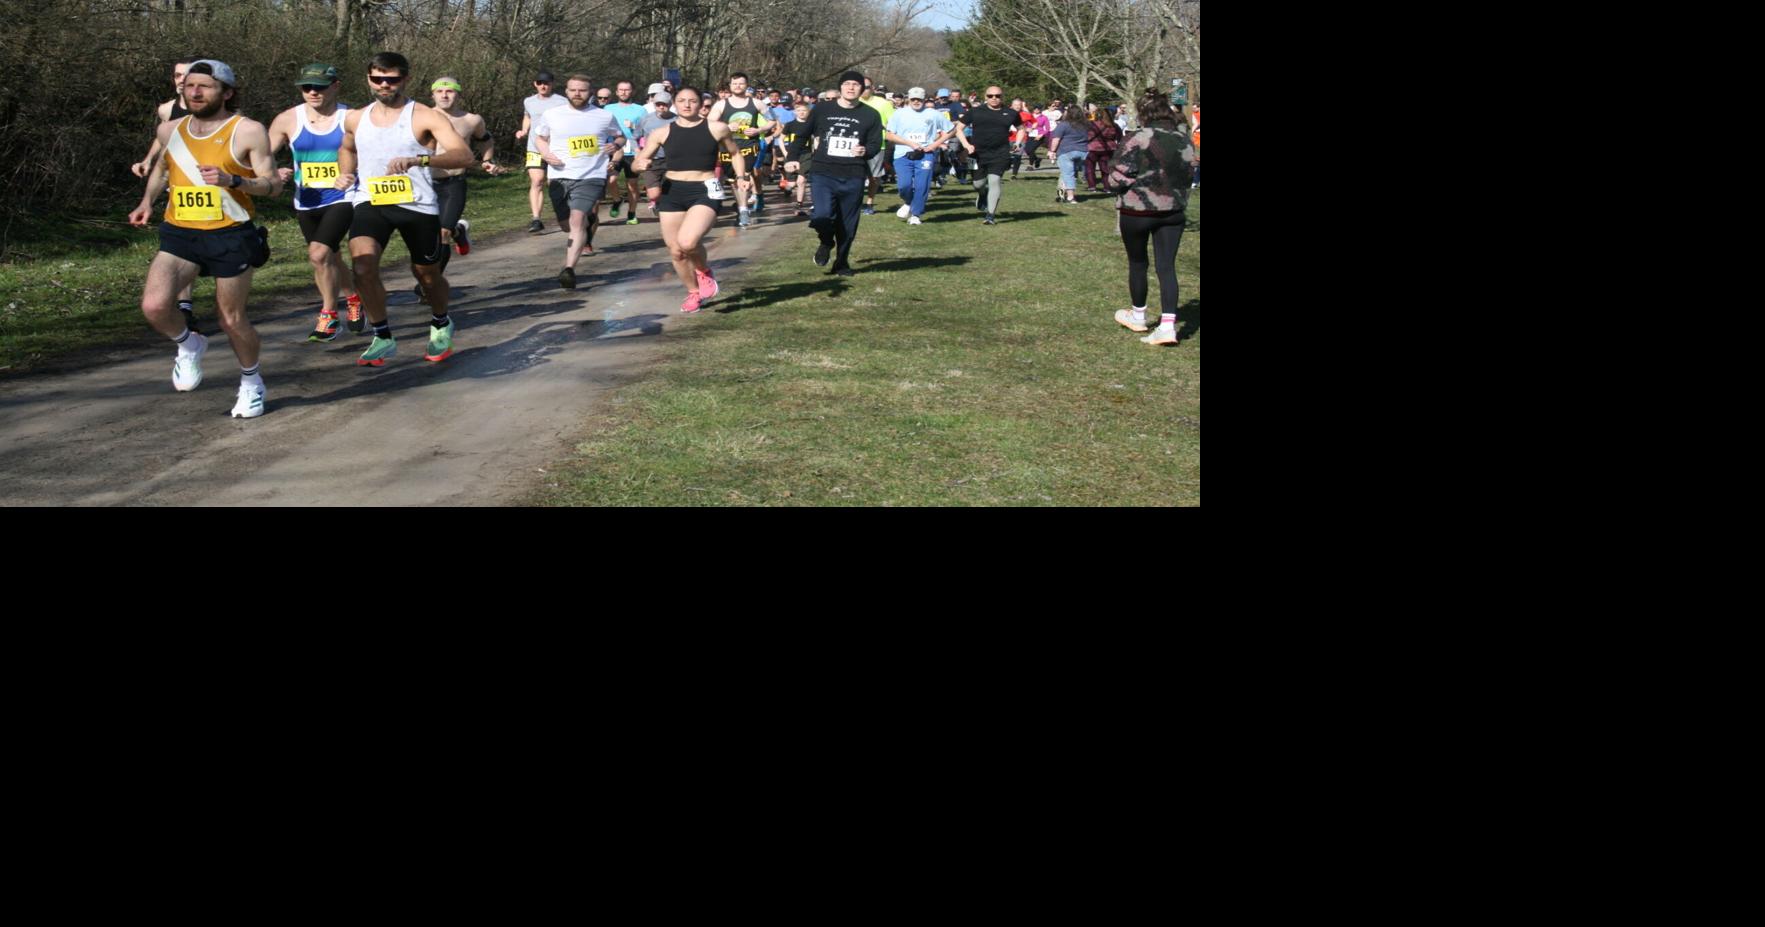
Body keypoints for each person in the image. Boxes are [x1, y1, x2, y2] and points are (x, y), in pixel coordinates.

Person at [127, 59, 281, 418]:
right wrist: (147, 202)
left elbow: (273, 186)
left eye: (205, 87)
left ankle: (251, 383)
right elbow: (162, 168)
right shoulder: (169, 130)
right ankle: (189, 343)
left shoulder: (248, 131)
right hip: (180, 232)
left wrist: (234, 181)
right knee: (154, 306)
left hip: (230, 234)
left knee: (231, 319)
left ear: (226, 93)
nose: (194, 92)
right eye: (189, 86)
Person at [335, 52, 476, 367]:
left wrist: (419, 159)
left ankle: (441, 321)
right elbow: (346, 147)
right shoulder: (355, 117)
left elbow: (464, 156)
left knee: (427, 275)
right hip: (371, 201)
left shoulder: (426, 116)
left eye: (392, 79)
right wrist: (345, 172)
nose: (384, 85)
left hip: (417, 204)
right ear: (369, 79)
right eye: (377, 79)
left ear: (405, 79)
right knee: (362, 267)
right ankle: (382, 335)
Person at [268, 62, 364, 341]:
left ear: (335, 87)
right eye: (306, 87)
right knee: (330, 256)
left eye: (319, 87)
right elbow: (260, 154)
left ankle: (329, 315)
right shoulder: (287, 119)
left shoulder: (352, 118)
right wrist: (272, 171)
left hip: (344, 196)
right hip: (307, 200)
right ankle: (353, 298)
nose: (312, 92)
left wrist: (351, 172)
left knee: (318, 254)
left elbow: (373, 152)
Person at [630, 85, 745, 312]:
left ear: (701, 104)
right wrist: (639, 164)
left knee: (688, 242)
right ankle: (693, 293)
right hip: (673, 191)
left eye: (692, 100)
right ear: (675, 103)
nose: (687, 105)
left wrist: (741, 176)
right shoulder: (661, 132)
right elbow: (637, 163)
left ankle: (704, 272)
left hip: (704, 188)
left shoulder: (717, 128)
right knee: (676, 251)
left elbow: (735, 153)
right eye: (682, 100)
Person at [1106, 89, 1197, 346]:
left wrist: (1118, 183)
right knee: (1166, 266)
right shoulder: (1184, 139)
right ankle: (1167, 326)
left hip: (1137, 210)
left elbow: (1117, 176)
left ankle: (1138, 315)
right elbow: (1190, 172)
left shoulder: (1137, 138)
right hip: (1173, 210)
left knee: (1138, 263)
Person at [784, 71, 883, 277]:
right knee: (821, 215)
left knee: (848, 223)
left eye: (856, 84)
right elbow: (801, 135)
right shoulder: (822, 109)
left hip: (853, 174)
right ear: (840, 87)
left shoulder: (870, 114)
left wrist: (866, 150)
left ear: (862, 89)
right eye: (847, 84)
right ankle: (826, 241)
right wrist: (791, 157)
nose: (851, 87)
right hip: (823, 172)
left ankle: (842, 262)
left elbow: (875, 143)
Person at [132, 56, 203, 335]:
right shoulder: (166, 109)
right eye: (177, 75)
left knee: (209, 247)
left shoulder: (216, 109)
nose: (182, 80)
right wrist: (148, 160)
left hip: (214, 186)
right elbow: (162, 138)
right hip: (179, 186)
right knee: (184, 245)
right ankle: (184, 307)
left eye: (187, 75)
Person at [535, 74, 625, 290]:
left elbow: (620, 136)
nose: (577, 93)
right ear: (566, 91)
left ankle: (569, 269)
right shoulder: (552, 114)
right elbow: (540, 138)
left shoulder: (604, 116)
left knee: (576, 220)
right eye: (573, 89)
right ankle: (588, 220)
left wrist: (616, 145)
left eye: (582, 90)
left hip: (591, 175)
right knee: (566, 225)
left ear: (590, 92)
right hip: (559, 175)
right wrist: (545, 154)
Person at [424, 75, 499, 294]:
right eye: (439, 91)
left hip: (453, 184)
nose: (444, 95)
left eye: (449, 91)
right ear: (432, 94)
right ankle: (459, 230)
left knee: (442, 234)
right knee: (427, 236)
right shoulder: (421, 117)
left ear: (458, 94)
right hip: (425, 184)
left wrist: (487, 161)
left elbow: (485, 140)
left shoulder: (471, 120)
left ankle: (431, 285)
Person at [708, 72, 769, 229]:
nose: (737, 86)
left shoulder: (757, 103)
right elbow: (709, 123)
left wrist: (758, 130)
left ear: (747, 85)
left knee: (744, 177)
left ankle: (743, 210)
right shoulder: (721, 105)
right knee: (733, 181)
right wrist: (726, 127)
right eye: (734, 84)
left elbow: (773, 121)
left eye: (741, 83)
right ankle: (742, 207)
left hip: (749, 146)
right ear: (730, 86)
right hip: (727, 147)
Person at [885, 88, 952, 226]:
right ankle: (908, 202)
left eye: (919, 99)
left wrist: (934, 145)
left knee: (922, 185)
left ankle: (916, 214)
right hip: (903, 154)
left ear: (924, 99)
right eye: (913, 99)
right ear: (908, 99)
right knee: (904, 185)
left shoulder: (933, 114)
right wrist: (909, 143)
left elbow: (951, 130)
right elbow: (889, 135)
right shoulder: (899, 113)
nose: (916, 102)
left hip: (925, 154)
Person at [956, 85, 1019, 225]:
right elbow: (958, 129)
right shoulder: (975, 111)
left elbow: (1021, 129)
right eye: (990, 96)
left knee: (994, 181)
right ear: (985, 97)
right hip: (975, 154)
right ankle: (982, 194)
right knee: (977, 184)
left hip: (1000, 153)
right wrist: (966, 145)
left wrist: (1018, 143)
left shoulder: (1011, 113)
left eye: (997, 96)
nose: (994, 98)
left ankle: (990, 215)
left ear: (1002, 97)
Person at [515, 71, 567, 233]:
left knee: (555, 184)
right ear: (535, 84)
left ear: (552, 84)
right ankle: (536, 219)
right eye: (540, 83)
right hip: (534, 147)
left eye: (546, 83)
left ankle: (564, 214)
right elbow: (527, 117)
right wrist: (524, 130)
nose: (543, 86)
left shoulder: (562, 101)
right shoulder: (528, 101)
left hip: (556, 148)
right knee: (537, 181)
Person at [604, 80, 649, 225]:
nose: (624, 92)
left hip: (632, 150)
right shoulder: (608, 108)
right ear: (617, 92)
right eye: (621, 90)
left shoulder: (640, 110)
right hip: (614, 148)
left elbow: (646, 130)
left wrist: (634, 126)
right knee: (611, 180)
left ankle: (631, 213)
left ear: (632, 92)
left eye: (627, 90)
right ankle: (617, 200)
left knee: (632, 184)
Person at [858, 76, 894, 215]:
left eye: (866, 87)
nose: (863, 90)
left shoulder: (883, 103)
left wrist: (884, 127)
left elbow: (893, 124)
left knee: (873, 177)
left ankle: (869, 203)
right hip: (855, 145)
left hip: (877, 145)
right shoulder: (853, 102)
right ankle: (855, 201)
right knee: (855, 176)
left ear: (873, 88)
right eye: (861, 86)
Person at [637, 90, 675, 213]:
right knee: (654, 194)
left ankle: (665, 207)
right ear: (654, 104)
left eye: (664, 104)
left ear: (670, 104)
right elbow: (635, 136)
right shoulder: (646, 119)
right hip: (651, 160)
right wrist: (637, 151)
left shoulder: (677, 119)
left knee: (669, 189)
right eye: (658, 104)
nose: (661, 107)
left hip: (671, 160)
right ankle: (657, 202)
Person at [1047, 104, 1090, 204]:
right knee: (1071, 173)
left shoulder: (1064, 125)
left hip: (1066, 152)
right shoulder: (1086, 125)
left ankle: (1070, 197)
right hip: (1083, 152)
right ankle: (1062, 193)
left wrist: (1052, 151)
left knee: (1067, 174)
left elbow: (1056, 139)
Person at [1085, 105, 1123, 192]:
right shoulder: (1113, 125)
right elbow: (1119, 137)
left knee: (1090, 168)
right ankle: (1107, 187)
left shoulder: (1092, 124)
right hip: (1108, 148)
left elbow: (1087, 135)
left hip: (1093, 148)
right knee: (1105, 169)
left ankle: (1092, 186)